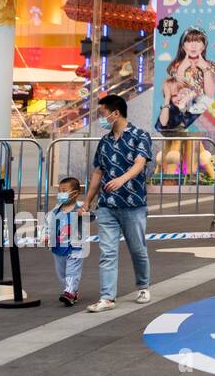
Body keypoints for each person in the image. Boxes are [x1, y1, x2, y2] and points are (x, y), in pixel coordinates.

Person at [83, 94, 153, 312]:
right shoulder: (104, 142)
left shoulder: (140, 135)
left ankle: (143, 286)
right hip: (106, 205)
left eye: (103, 113)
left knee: (137, 248)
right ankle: (107, 297)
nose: (101, 118)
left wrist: (122, 179)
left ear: (115, 113)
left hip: (133, 203)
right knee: (107, 252)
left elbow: (140, 163)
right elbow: (98, 171)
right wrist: (87, 201)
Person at [49, 177, 87, 306]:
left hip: (75, 246)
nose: (60, 193)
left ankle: (69, 291)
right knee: (61, 272)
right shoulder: (56, 210)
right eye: (59, 190)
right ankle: (70, 291)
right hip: (59, 246)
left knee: (72, 269)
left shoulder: (80, 207)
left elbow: (91, 215)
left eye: (64, 190)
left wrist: (84, 214)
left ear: (75, 193)